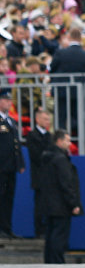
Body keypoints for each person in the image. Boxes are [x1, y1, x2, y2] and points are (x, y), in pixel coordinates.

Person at [39, 130, 81, 263]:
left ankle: (49, 261)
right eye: (67, 140)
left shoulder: (47, 158)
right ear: (59, 141)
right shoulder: (61, 159)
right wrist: (73, 203)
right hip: (61, 205)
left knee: (51, 234)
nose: (70, 144)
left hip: (49, 203)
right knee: (59, 235)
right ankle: (58, 262)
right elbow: (66, 183)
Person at [48, 27, 85, 133]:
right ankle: (81, 141)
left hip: (61, 91)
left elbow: (52, 69)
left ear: (69, 37)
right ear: (80, 38)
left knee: (60, 119)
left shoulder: (60, 53)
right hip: (78, 91)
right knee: (80, 119)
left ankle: (60, 141)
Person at [24, 108, 52, 238]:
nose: (47, 122)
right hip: (39, 177)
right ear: (38, 119)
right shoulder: (32, 135)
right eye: (45, 119)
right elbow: (36, 156)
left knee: (49, 205)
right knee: (40, 205)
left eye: (48, 119)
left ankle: (47, 229)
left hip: (50, 177)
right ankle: (39, 230)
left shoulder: (49, 136)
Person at [0, 89, 24, 238]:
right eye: (6, 100)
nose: (9, 103)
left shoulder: (11, 121)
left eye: (10, 100)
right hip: (1, 167)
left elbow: (16, 144)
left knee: (9, 198)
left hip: (10, 167)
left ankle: (7, 227)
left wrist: (20, 163)